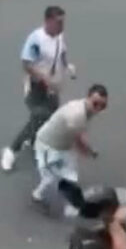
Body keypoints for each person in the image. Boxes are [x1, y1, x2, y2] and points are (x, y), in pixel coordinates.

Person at [1, 6, 77, 172]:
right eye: (59, 22)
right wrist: (43, 78)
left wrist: (67, 66)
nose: (62, 26)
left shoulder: (59, 37)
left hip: (53, 87)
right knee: (38, 117)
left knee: (50, 118)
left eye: (63, 22)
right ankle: (11, 151)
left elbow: (61, 52)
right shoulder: (36, 39)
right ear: (48, 21)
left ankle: (37, 142)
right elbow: (26, 64)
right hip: (36, 87)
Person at [31, 84, 108, 218]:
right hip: (48, 145)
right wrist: (89, 151)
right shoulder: (77, 114)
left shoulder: (86, 110)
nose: (98, 109)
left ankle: (70, 191)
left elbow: (78, 135)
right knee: (51, 178)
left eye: (103, 106)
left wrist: (87, 150)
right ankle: (37, 196)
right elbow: (78, 141)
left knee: (70, 172)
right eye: (96, 104)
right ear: (88, 98)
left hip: (64, 144)